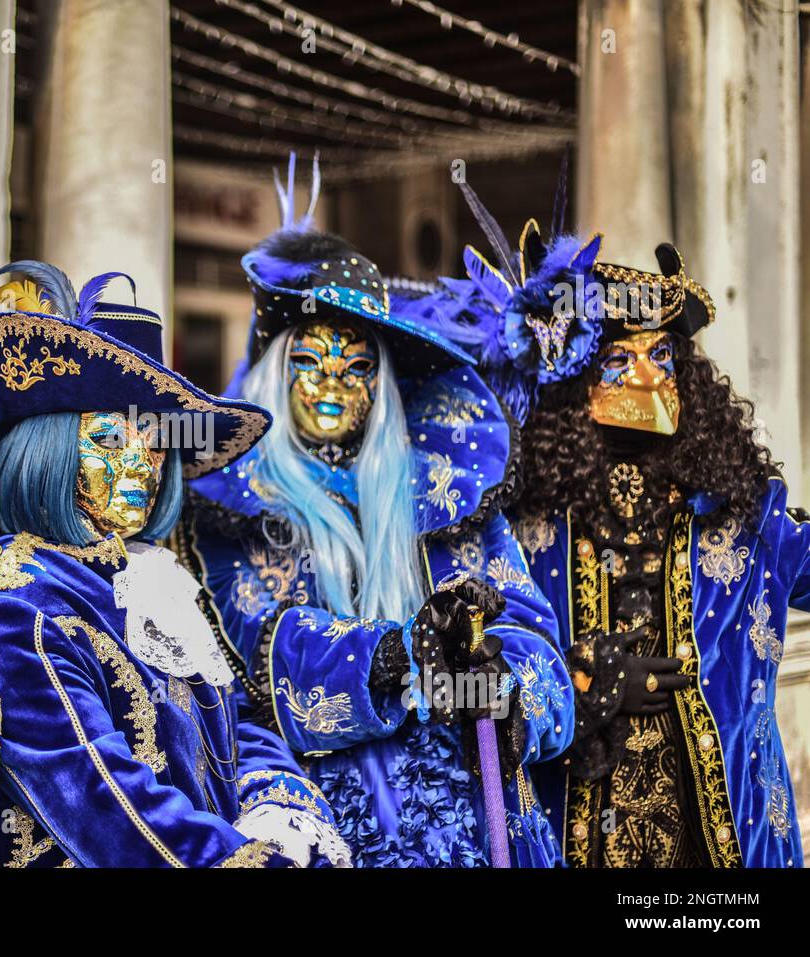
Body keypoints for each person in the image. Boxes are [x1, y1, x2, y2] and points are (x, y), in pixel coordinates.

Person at [177, 158, 573, 867]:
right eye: (310, 360)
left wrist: (499, 684)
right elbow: (257, 657)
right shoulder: (228, 511)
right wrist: (395, 654)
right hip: (331, 822)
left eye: (355, 365)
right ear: (276, 370)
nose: (332, 381)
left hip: (482, 824)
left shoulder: (448, 496)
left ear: (380, 384)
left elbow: (532, 634)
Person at [0, 262, 350, 867]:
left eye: (154, 441)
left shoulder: (151, 580)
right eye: (108, 439)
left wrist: (280, 812)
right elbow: (103, 804)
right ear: (46, 449)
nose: (139, 464)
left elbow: (236, 725)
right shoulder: (20, 602)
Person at [423, 215, 803, 867]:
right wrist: (581, 687)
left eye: (663, 357)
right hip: (576, 827)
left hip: (722, 846)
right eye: (620, 360)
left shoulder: (742, 509)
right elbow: (476, 677)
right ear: (575, 379)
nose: (649, 378)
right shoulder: (520, 523)